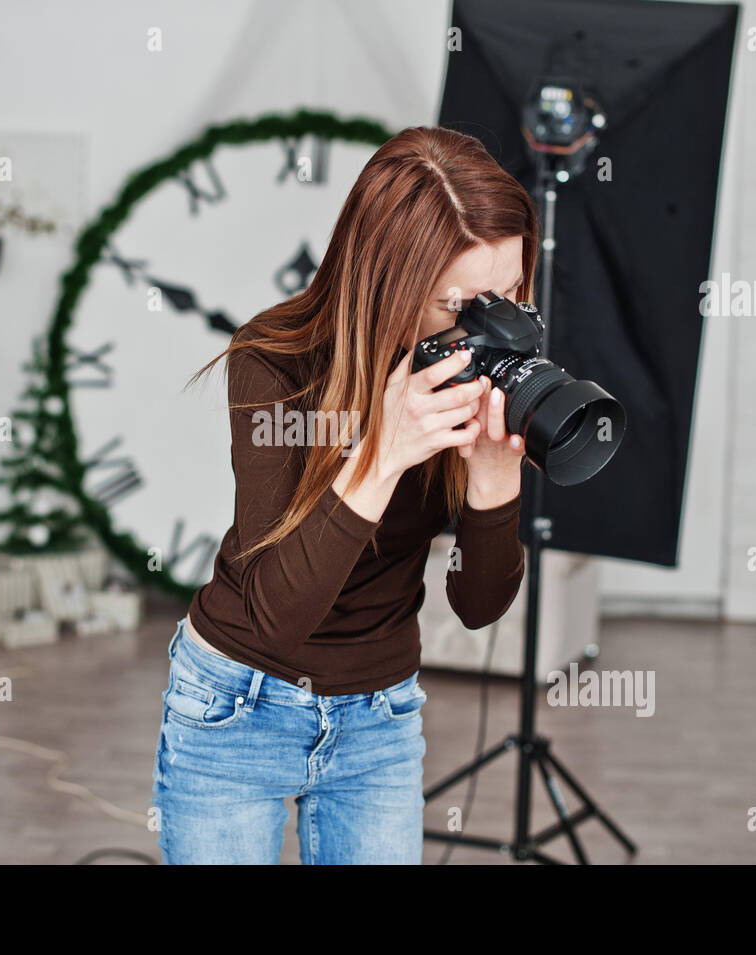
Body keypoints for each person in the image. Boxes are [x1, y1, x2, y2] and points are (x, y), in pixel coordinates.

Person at [150, 125, 538, 864]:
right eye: (459, 305)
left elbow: (478, 606)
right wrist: (381, 455)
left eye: (511, 291)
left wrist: (494, 481)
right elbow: (276, 619)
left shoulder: (483, 359)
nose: (493, 326)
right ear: (385, 280)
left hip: (379, 715)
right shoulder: (275, 361)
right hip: (236, 702)